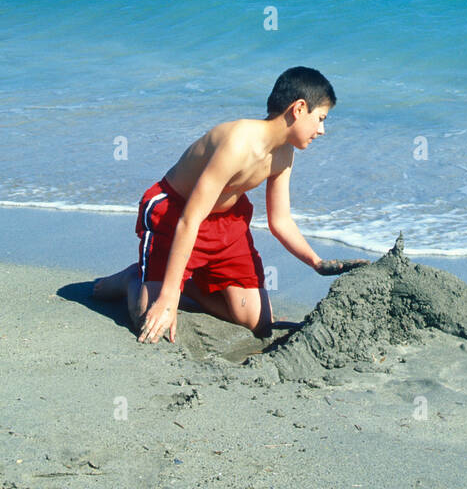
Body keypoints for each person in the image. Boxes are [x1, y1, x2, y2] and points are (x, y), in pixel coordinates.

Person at [92, 67, 366, 343]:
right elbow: (189, 219)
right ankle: (133, 279)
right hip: (176, 212)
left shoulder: (284, 154)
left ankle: (187, 282)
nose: (322, 130)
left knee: (257, 321)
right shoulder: (238, 142)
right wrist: (167, 297)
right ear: (299, 108)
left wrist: (316, 262)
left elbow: (280, 221)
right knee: (149, 318)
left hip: (225, 223)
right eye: (320, 119)